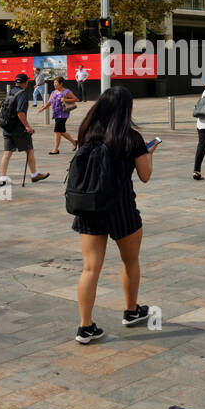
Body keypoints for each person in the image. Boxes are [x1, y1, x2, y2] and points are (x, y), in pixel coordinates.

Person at [72, 86, 158, 344]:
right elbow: (145, 176)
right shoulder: (131, 138)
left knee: (90, 268)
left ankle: (85, 327)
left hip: (90, 206)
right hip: (121, 208)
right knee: (130, 262)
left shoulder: (86, 132)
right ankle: (131, 311)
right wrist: (148, 154)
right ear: (125, 110)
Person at [0, 73, 50, 186]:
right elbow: (20, 112)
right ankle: (34, 175)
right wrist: (27, 126)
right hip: (18, 129)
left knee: (7, 152)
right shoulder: (22, 94)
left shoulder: (11, 91)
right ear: (25, 82)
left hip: (7, 127)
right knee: (29, 150)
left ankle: (2, 178)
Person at [38, 75, 79, 154]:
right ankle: (74, 142)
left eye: (56, 83)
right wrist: (43, 108)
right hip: (56, 114)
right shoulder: (53, 92)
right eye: (54, 83)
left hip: (63, 114)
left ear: (61, 84)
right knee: (61, 131)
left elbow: (76, 99)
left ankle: (56, 149)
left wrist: (65, 99)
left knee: (57, 131)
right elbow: (49, 102)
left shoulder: (66, 91)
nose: (54, 84)